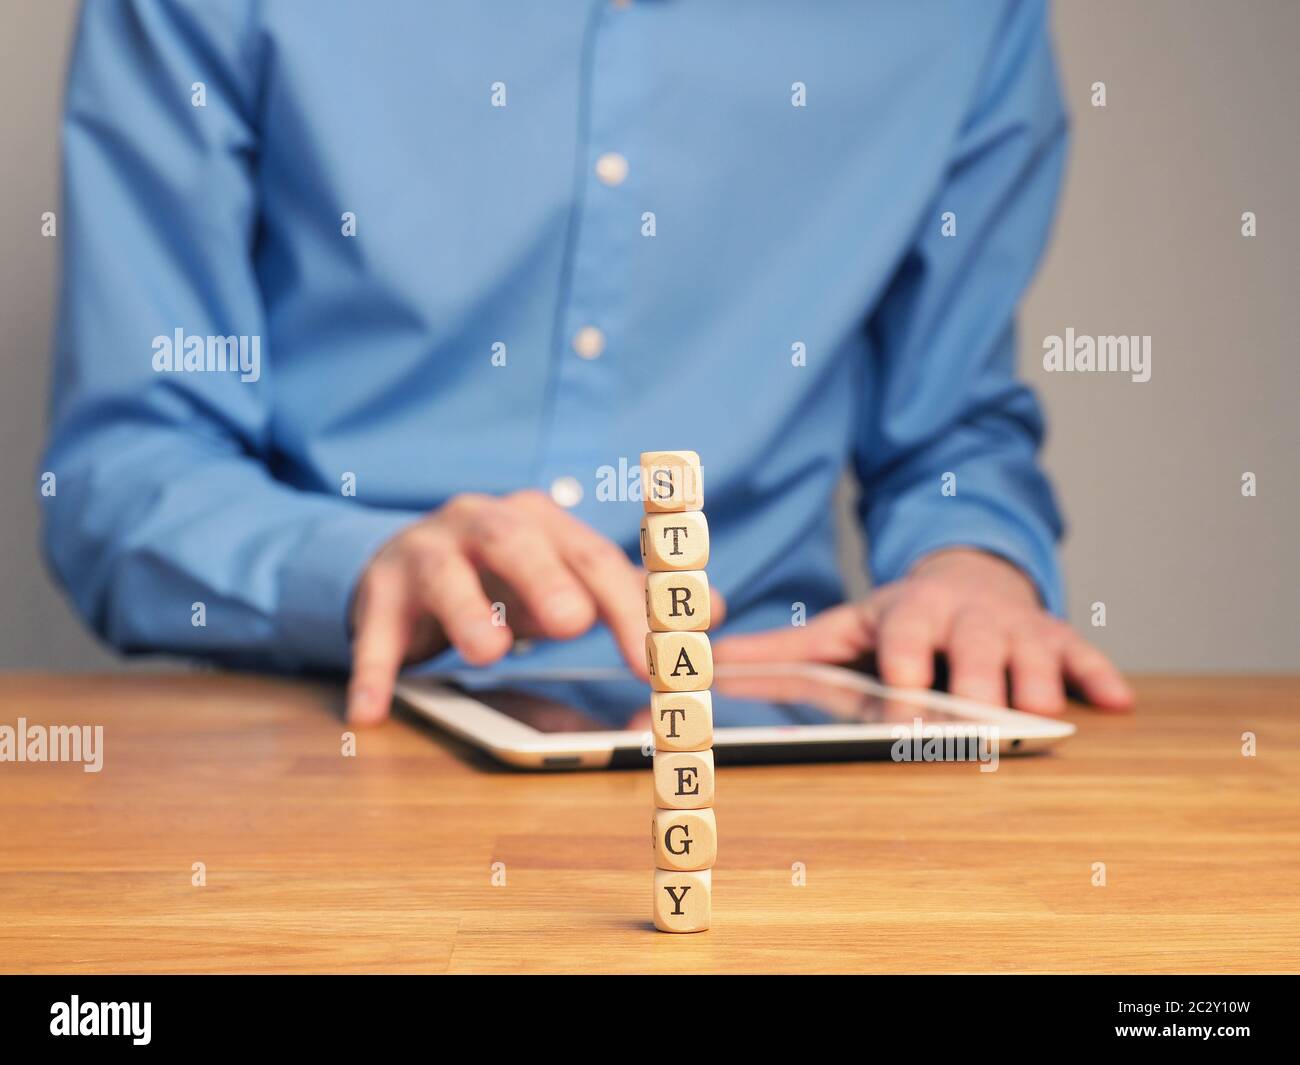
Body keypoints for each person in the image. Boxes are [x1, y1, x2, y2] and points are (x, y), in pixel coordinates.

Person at [43, 0, 1133, 726]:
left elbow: (949, 431)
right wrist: (353, 565)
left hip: (764, 744)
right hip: (321, 740)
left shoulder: (964, 22)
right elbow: (125, 469)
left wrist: (969, 564)